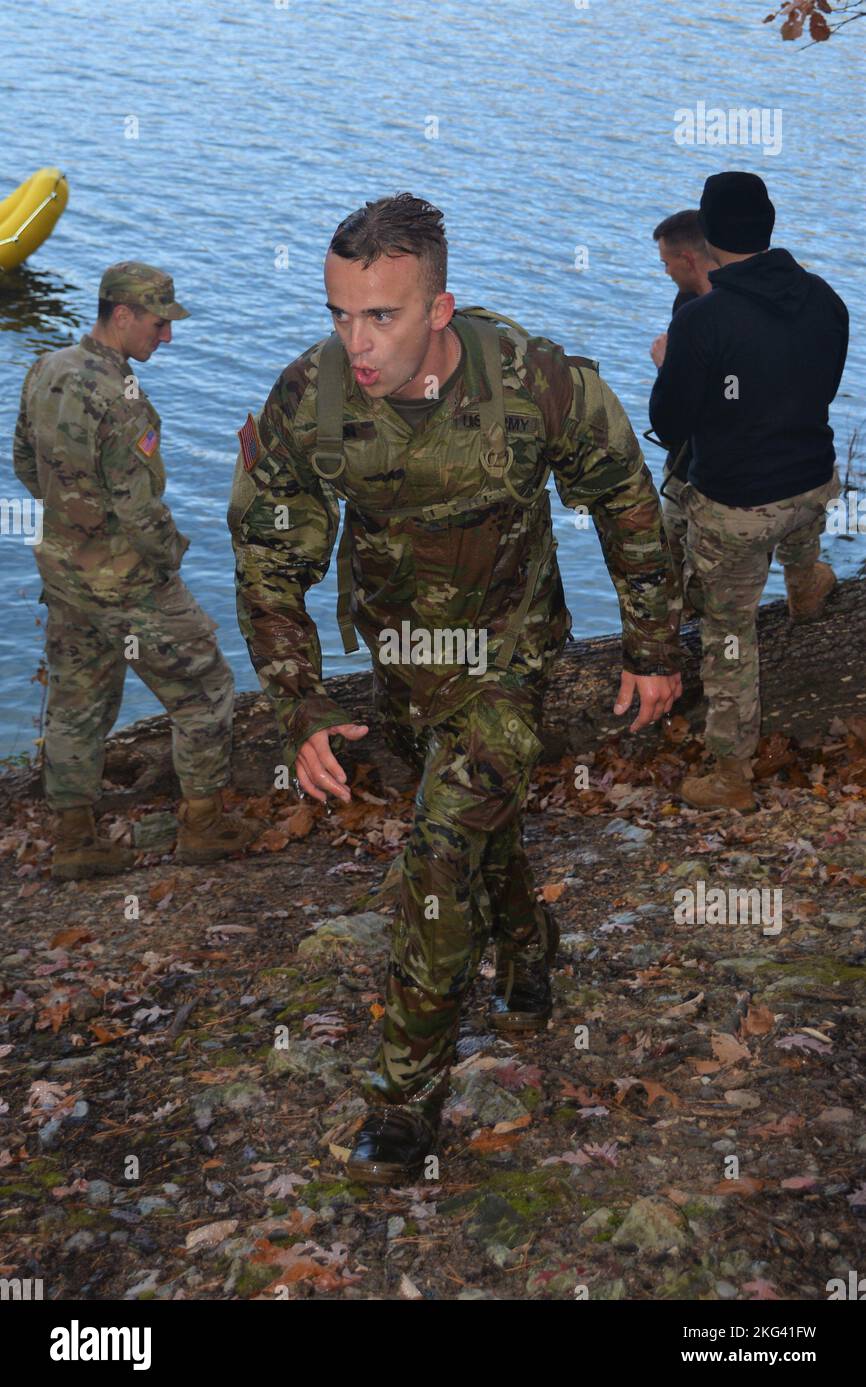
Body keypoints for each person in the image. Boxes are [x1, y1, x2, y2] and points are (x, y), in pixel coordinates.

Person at [229, 193, 682, 1185]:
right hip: (399, 663)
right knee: (481, 834)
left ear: (438, 309)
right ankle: (528, 945)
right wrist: (300, 707)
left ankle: (400, 1110)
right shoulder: (308, 400)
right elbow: (267, 560)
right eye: (340, 312)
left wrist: (650, 644)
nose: (356, 340)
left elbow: (621, 492)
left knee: (436, 857)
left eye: (380, 315)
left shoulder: (531, 382)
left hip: (505, 658)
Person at [13, 262, 256, 879]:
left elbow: (23, 463)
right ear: (121, 315)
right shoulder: (120, 398)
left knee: (75, 702)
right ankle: (202, 827)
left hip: (65, 573)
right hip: (128, 583)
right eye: (158, 323)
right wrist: (171, 554)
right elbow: (138, 506)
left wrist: (74, 521)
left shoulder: (47, 369)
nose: (166, 337)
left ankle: (75, 841)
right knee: (205, 690)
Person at [649, 173, 848, 813]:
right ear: (769, 224)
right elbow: (814, 390)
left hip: (738, 509)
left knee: (728, 635)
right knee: (797, 510)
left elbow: (671, 421)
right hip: (815, 484)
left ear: (707, 237)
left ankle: (730, 773)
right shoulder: (825, 299)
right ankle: (805, 581)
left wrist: (667, 364)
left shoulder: (705, 320)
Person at [649, 210, 714, 596]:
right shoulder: (685, 303)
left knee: (707, 574)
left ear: (687, 259)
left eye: (666, 263)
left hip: (716, 473)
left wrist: (664, 365)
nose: (666, 272)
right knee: (666, 561)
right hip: (684, 462)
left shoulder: (722, 313)